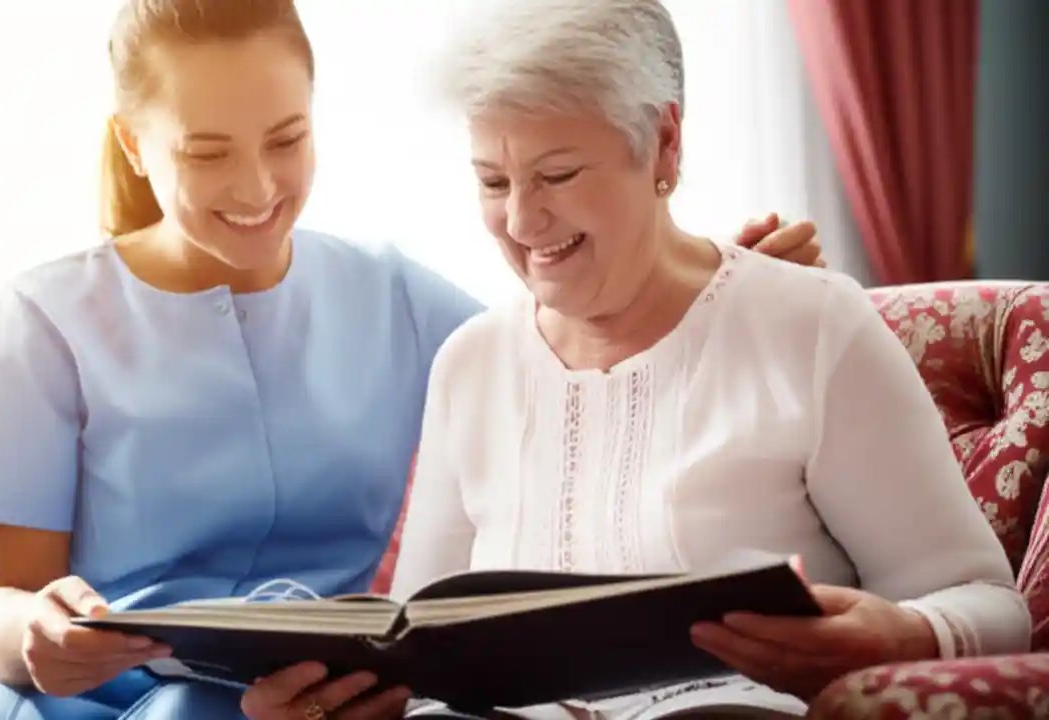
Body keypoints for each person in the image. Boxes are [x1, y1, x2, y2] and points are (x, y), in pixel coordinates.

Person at [0, 1, 827, 719]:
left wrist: (722, 277)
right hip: (47, 699)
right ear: (134, 141)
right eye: (207, 154)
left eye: (285, 139)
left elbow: (582, 326)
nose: (255, 188)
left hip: (286, 700)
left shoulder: (392, 296)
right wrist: (36, 639)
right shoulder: (46, 316)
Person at [325, 0, 1027, 717]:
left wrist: (906, 631)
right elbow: (413, 646)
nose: (520, 222)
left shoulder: (811, 327)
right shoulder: (469, 365)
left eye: (558, 174)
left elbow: (993, 604)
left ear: (663, 143)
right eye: (494, 182)